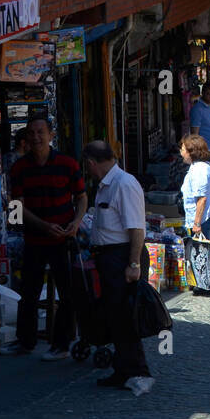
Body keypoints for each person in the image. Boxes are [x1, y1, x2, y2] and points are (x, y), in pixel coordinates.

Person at [7, 116, 87, 360]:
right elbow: (16, 208)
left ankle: (61, 345)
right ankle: (25, 341)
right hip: (34, 240)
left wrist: (76, 222)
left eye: (41, 132)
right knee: (28, 293)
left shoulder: (68, 164)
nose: (35, 137)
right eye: (31, 133)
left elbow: (82, 197)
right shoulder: (19, 168)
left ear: (52, 135)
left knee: (67, 293)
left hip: (64, 238)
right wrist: (43, 226)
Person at [81, 141, 151, 389]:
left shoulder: (123, 184)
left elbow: (136, 229)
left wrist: (133, 263)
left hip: (121, 256)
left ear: (91, 163)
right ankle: (123, 369)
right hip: (109, 257)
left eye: (86, 166)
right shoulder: (106, 185)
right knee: (116, 315)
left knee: (126, 315)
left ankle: (137, 370)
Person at [180, 133, 210, 297]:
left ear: (191, 151)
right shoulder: (199, 167)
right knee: (201, 250)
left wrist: (197, 223)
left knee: (204, 250)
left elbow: (202, 198)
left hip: (203, 216)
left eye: (183, 149)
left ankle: (208, 284)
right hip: (202, 215)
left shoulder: (199, 169)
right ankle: (203, 282)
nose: (181, 152)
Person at [190, 80, 210, 153]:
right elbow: (194, 135)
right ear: (203, 93)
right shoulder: (197, 109)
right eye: (209, 94)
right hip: (205, 151)